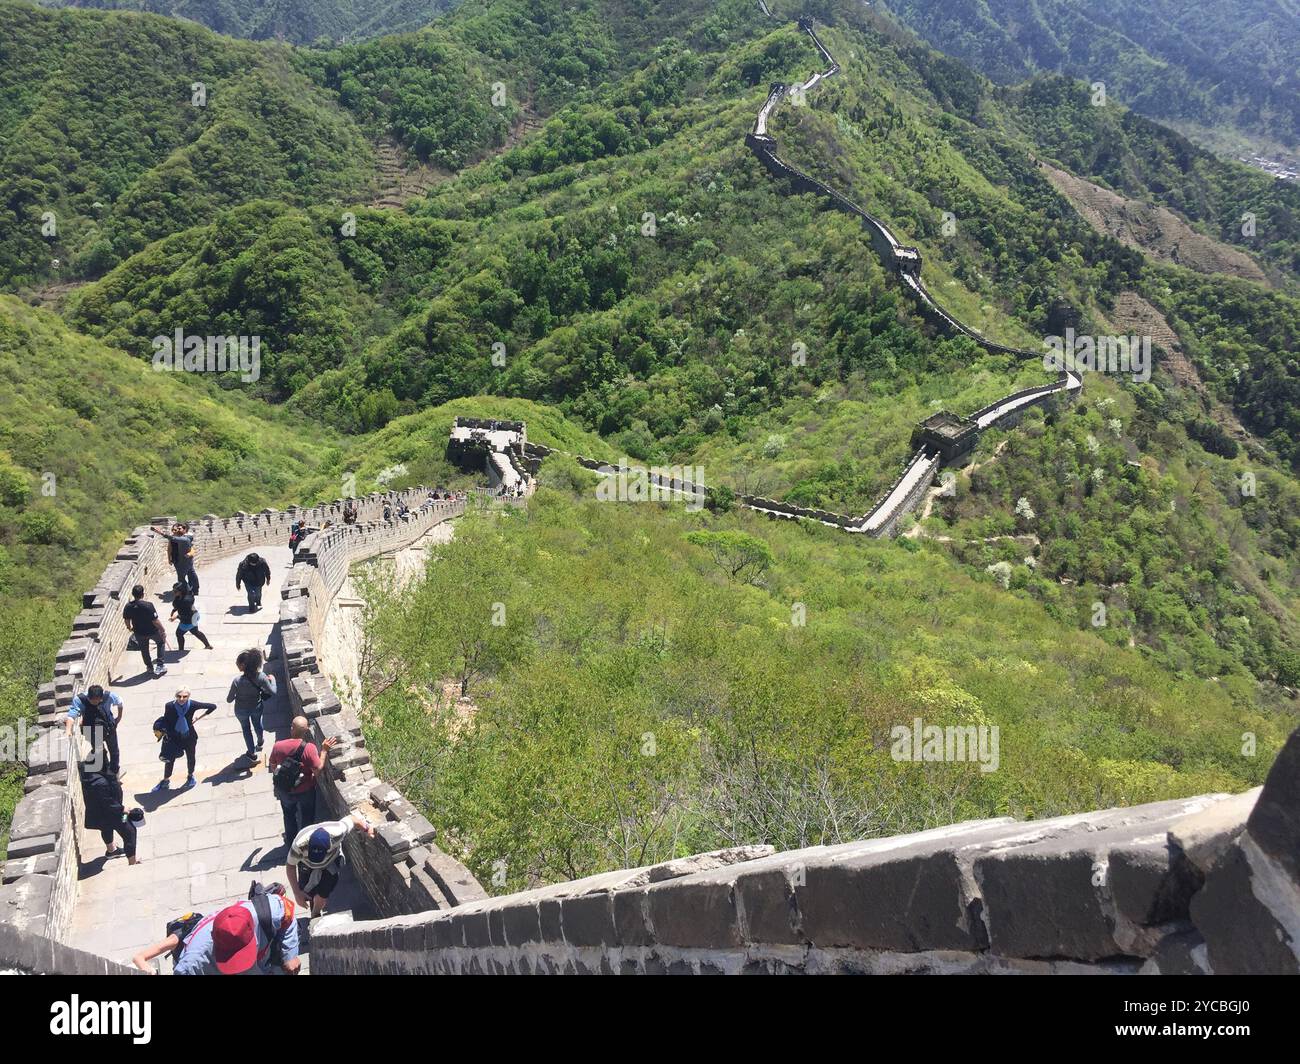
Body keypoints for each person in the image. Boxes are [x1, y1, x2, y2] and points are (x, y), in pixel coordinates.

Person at [170, 894, 301, 975]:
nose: (238, 968)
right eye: (230, 957)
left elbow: (287, 915)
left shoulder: (267, 911)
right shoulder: (193, 963)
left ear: (252, 925)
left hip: (262, 962)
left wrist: (290, 954)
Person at [287, 811, 374, 916]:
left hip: (330, 863)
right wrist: (297, 893)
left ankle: (315, 914)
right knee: (308, 893)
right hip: (306, 865)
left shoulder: (337, 832)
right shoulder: (299, 845)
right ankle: (313, 906)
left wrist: (367, 829)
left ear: (330, 844)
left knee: (323, 892)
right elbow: (290, 867)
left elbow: (352, 819)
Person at [269, 717, 339, 847]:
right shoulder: (309, 748)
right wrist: (323, 750)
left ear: (291, 728)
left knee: (289, 815)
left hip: (285, 790)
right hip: (306, 789)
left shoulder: (278, 746)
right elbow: (317, 769)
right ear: (306, 730)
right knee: (307, 815)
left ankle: (291, 842)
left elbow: (273, 766)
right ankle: (305, 842)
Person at [153, 688, 216, 793]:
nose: (181, 699)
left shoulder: (192, 705)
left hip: (189, 737)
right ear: (175, 696)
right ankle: (165, 780)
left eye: (185, 696)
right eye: (179, 696)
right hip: (174, 737)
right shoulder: (169, 706)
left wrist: (198, 718)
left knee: (191, 757)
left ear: (188, 697)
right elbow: (167, 720)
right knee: (169, 759)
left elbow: (212, 707)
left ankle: (190, 776)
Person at [80, 760, 140, 865]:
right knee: (129, 831)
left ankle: (112, 850)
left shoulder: (90, 777)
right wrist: (123, 810)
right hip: (113, 814)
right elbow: (108, 803)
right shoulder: (100, 784)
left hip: (100, 815)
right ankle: (132, 862)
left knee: (106, 828)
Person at [228, 648, 275, 761]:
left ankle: (252, 753)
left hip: (241, 710)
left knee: (246, 729)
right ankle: (260, 741)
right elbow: (273, 692)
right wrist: (273, 681)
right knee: (257, 724)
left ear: (243, 665)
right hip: (256, 707)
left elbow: (229, 700)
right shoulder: (262, 677)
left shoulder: (237, 681)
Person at [66, 684, 123, 777]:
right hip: (92, 730)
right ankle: (106, 772)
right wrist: (68, 730)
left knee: (114, 751)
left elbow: (120, 702)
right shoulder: (80, 700)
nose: (95, 703)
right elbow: (71, 716)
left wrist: (119, 717)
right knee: (99, 752)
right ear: (88, 697)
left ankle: (115, 772)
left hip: (108, 727)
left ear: (101, 698)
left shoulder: (108, 696)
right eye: (93, 701)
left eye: (98, 700)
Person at [122, 584, 168, 678]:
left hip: (139, 632)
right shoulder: (148, 605)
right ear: (143, 594)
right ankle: (160, 665)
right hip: (152, 631)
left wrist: (129, 627)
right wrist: (162, 630)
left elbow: (127, 620)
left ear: (133, 594)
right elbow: (155, 620)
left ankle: (149, 667)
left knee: (144, 649)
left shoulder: (128, 606)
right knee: (161, 643)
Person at [151, 522, 199, 595]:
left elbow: (191, 548)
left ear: (185, 530)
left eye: (179, 529)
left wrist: (159, 532)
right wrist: (169, 558)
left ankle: (189, 591)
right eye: (174, 529)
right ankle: (193, 590)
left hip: (184, 562)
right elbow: (169, 548)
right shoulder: (176, 538)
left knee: (183, 578)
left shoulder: (186, 538)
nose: (176, 530)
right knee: (190, 575)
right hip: (178, 561)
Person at [168, 582, 212, 652]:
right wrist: (174, 610)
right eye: (173, 591)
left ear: (181, 591)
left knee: (179, 634)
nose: (173, 592)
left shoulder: (182, 602)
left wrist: (176, 617)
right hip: (195, 616)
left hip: (188, 621)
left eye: (175, 591)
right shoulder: (189, 596)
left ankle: (181, 650)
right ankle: (208, 645)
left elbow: (184, 615)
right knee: (195, 632)